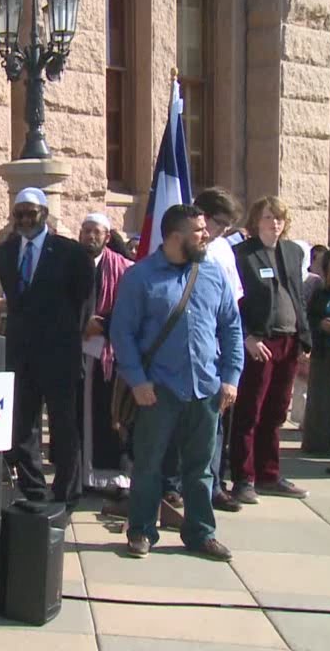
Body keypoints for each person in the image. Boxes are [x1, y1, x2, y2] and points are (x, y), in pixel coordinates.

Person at [109, 204, 242, 561]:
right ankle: (141, 530)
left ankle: (200, 533)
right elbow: (122, 333)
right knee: (149, 466)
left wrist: (231, 377)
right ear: (175, 237)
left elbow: (231, 327)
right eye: (199, 231)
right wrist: (137, 380)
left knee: (200, 469)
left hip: (206, 389)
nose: (207, 235)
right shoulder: (141, 277)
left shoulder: (213, 274)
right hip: (157, 390)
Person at [0, 188, 93, 509]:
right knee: (21, 424)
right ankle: (33, 488)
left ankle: (66, 491)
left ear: (44, 214)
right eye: (20, 214)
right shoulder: (6, 251)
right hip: (21, 351)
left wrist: (69, 333)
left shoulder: (70, 253)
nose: (26, 219)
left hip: (60, 352)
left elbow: (84, 300)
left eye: (32, 213)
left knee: (64, 425)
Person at [230, 196, 311, 502]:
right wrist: (247, 336)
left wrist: (305, 338)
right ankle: (244, 477)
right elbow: (235, 301)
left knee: (277, 411)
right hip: (260, 341)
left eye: (278, 218)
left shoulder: (292, 252)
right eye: (267, 217)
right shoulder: (242, 254)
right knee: (251, 409)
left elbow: (297, 295)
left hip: (289, 340)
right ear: (256, 221)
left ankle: (269, 473)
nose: (274, 223)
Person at [191, 188, 245, 513]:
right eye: (220, 223)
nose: (224, 231)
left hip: (218, 345)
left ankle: (214, 483)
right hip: (190, 347)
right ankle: (177, 488)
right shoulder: (180, 246)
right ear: (203, 216)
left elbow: (233, 303)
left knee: (216, 418)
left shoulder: (223, 249)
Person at [76, 213, 133, 497]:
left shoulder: (124, 269)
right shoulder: (69, 265)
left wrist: (102, 324)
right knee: (78, 418)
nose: (90, 236)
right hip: (75, 352)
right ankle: (81, 477)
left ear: (107, 236)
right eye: (85, 231)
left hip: (109, 353)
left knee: (109, 416)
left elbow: (131, 310)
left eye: (96, 232)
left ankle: (114, 479)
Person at [304, 254, 330, 459]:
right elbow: (310, 316)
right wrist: (321, 325)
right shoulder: (324, 294)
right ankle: (318, 445)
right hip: (325, 351)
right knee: (322, 400)